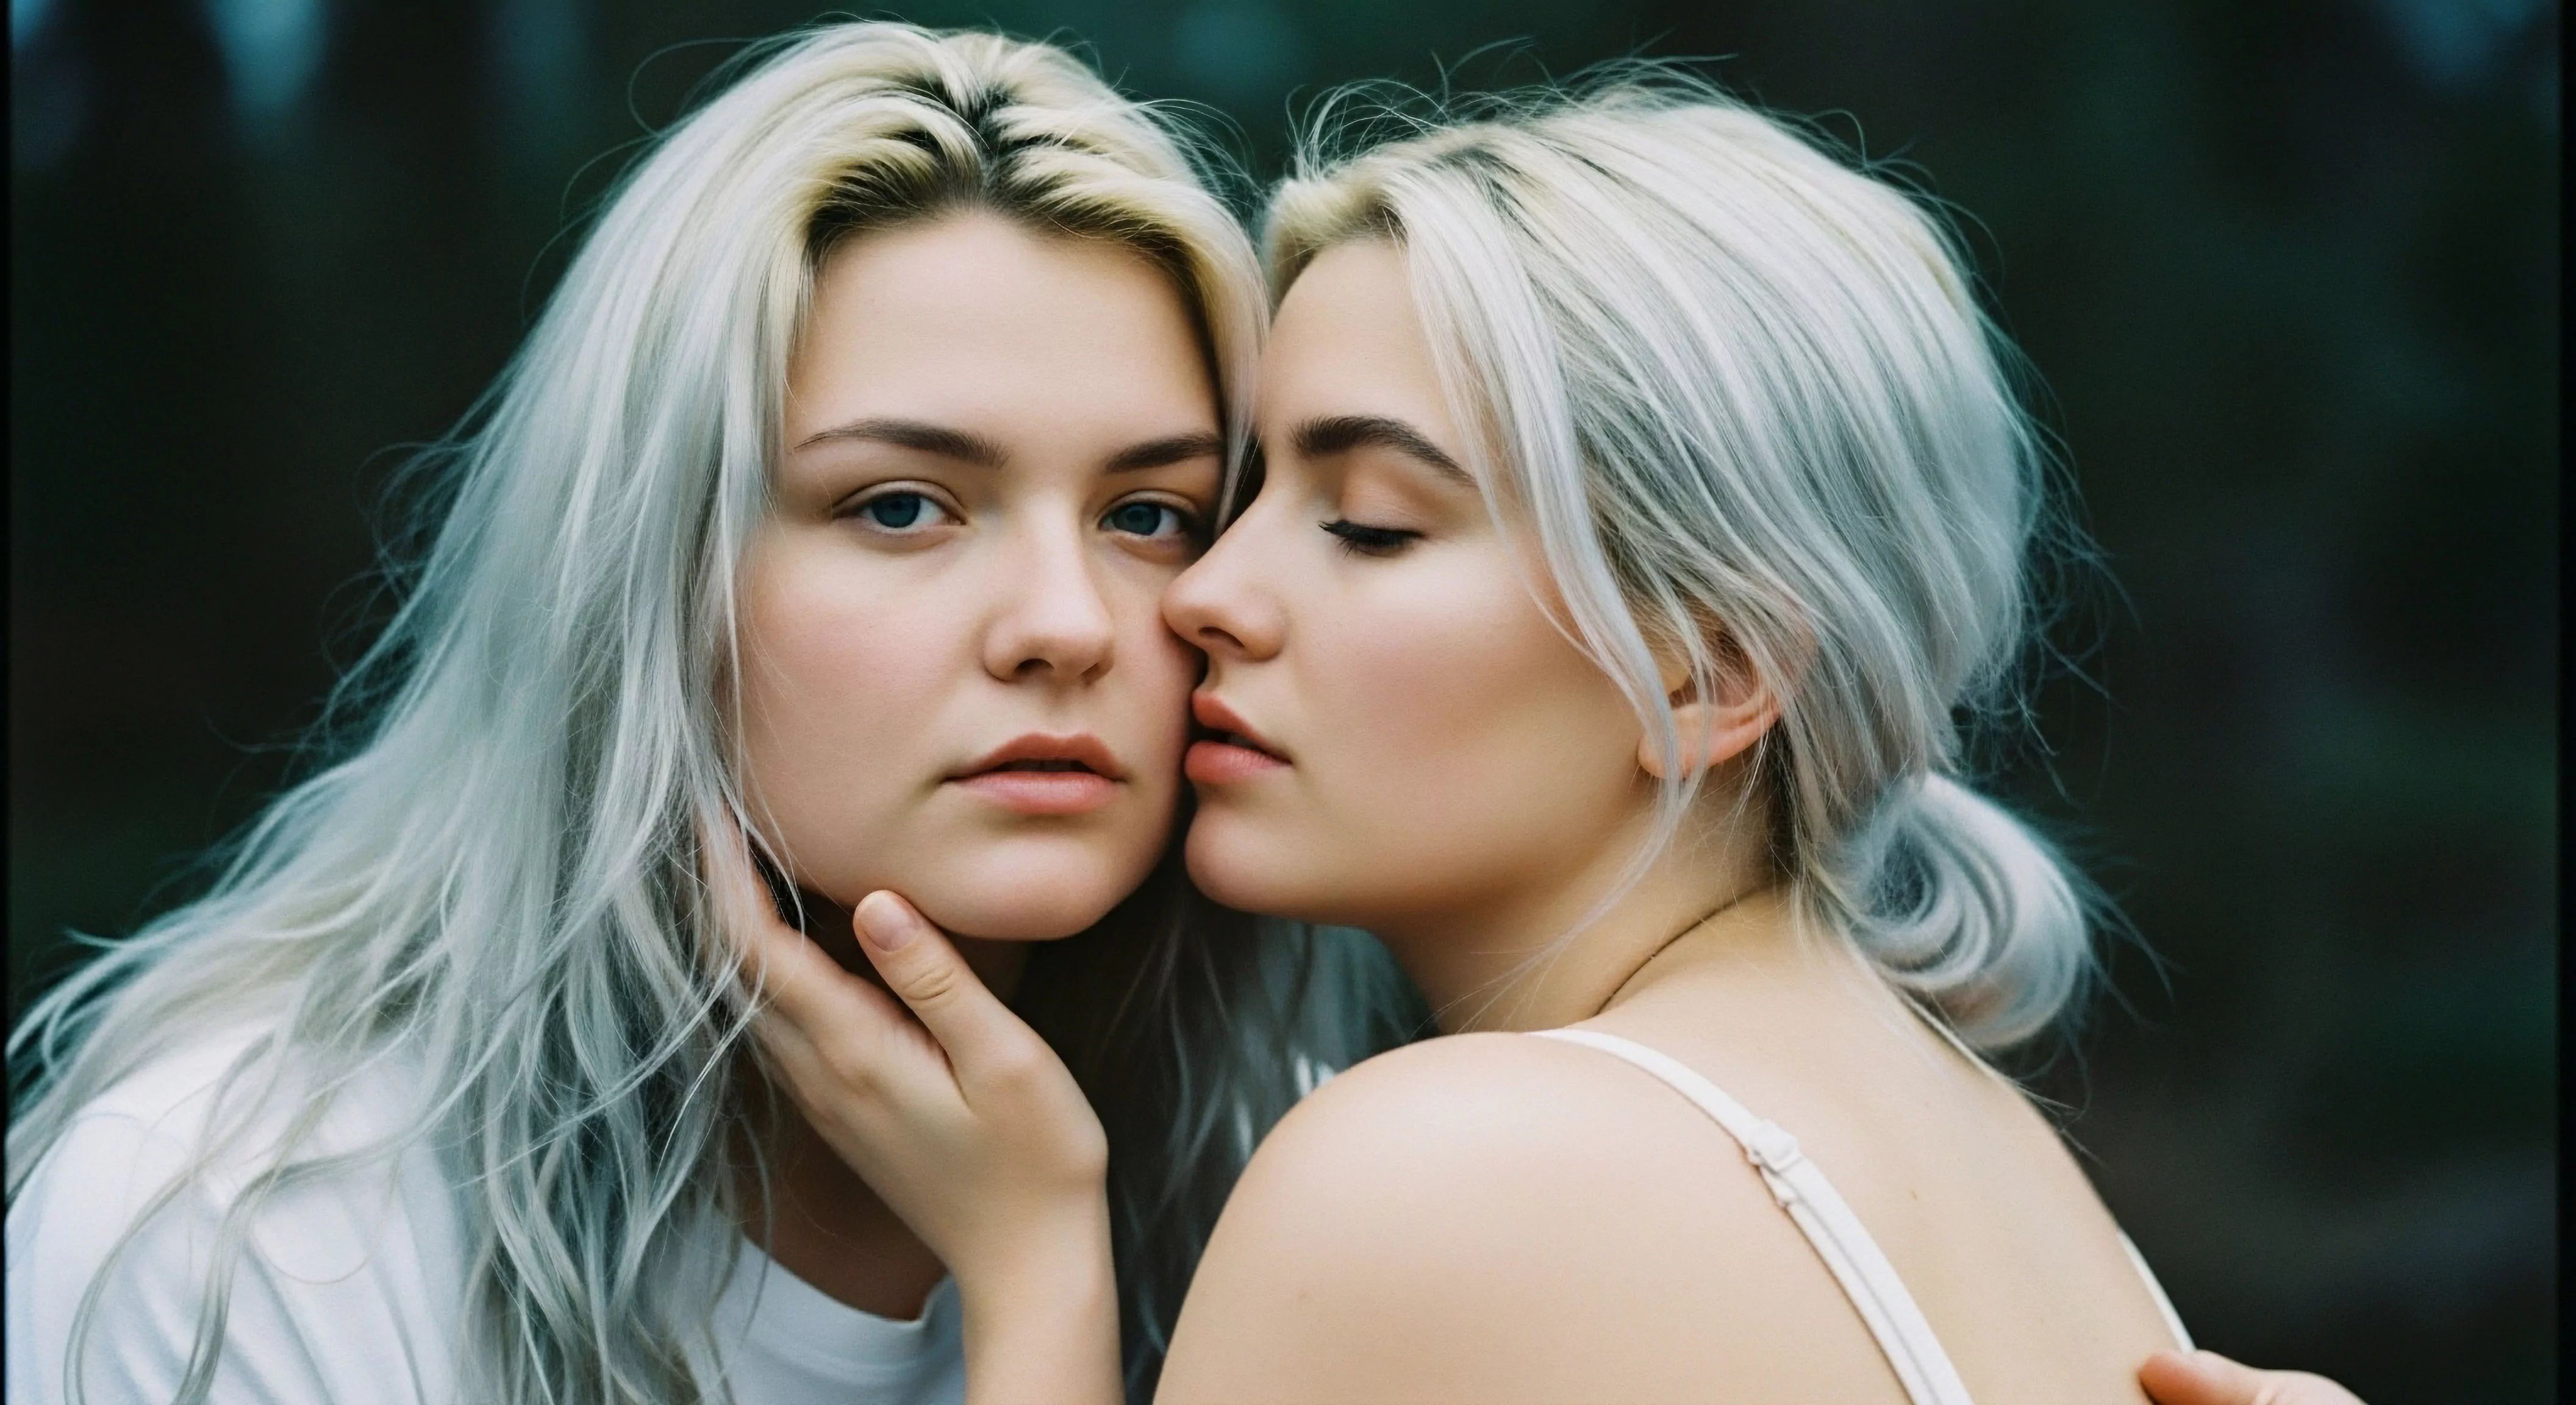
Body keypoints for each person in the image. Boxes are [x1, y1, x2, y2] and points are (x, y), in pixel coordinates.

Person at [729, 73, 2379, 1405]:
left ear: (1713, 664)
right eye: (1231, 502)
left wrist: (1034, 1279)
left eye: (1367, 523)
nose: (1205, 596)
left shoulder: (1442, 1178)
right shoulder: (2005, 1162)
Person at [4, 23, 1409, 1405]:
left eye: (1149, 514)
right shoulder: (245, 1226)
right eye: (903, 506)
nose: (1066, 624)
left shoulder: (1299, 1174)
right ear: (647, 575)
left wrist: (1043, 1266)